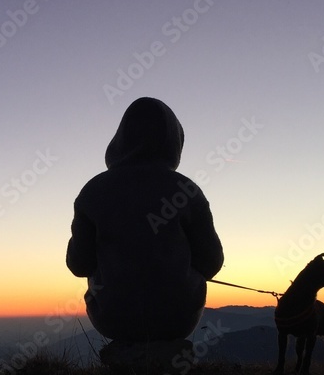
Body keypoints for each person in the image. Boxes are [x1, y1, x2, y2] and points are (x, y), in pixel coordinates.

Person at [66, 97, 224, 361]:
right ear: (174, 142)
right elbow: (212, 263)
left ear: (120, 139)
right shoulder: (186, 191)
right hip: (178, 317)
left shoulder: (93, 191)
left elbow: (78, 264)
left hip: (111, 317)